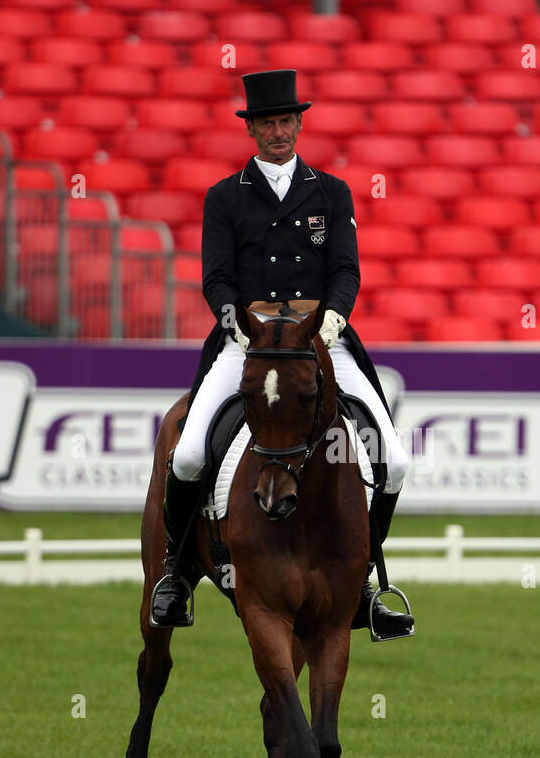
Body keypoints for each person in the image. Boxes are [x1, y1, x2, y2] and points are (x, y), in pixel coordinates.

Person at [150, 69, 414, 639]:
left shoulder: (331, 192)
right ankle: (175, 572)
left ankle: (366, 582)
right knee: (191, 453)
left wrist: (335, 317)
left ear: (298, 124)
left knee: (393, 459)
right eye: (267, 123)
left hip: (321, 346)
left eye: (285, 121)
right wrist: (237, 326)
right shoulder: (224, 198)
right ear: (252, 130)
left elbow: (345, 268)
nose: (278, 131)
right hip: (246, 345)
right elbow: (216, 279)